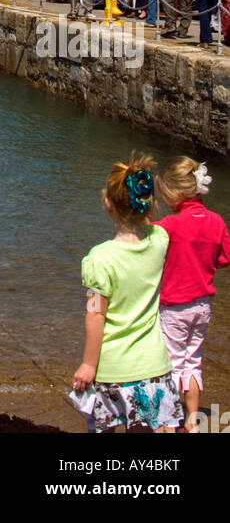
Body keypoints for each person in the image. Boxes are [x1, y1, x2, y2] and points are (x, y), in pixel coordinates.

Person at [71, 155, 183, 434]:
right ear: (151, 206)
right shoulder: (160, 241)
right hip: (154, 366)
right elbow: (166, 227)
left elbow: (96, 313)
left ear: (108, 205)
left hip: (113, 368)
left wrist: (88, 363)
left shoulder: (100, 259)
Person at [155, 157, 230, 431]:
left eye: (164, 195)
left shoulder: (169, 226)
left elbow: (146, 252)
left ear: (176, 193)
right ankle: (192, 420)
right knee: (193, 361)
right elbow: (224, 258)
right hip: (203, 306)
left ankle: (169, 419)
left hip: (174, 307)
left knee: (172, 363)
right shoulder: (217, 221)